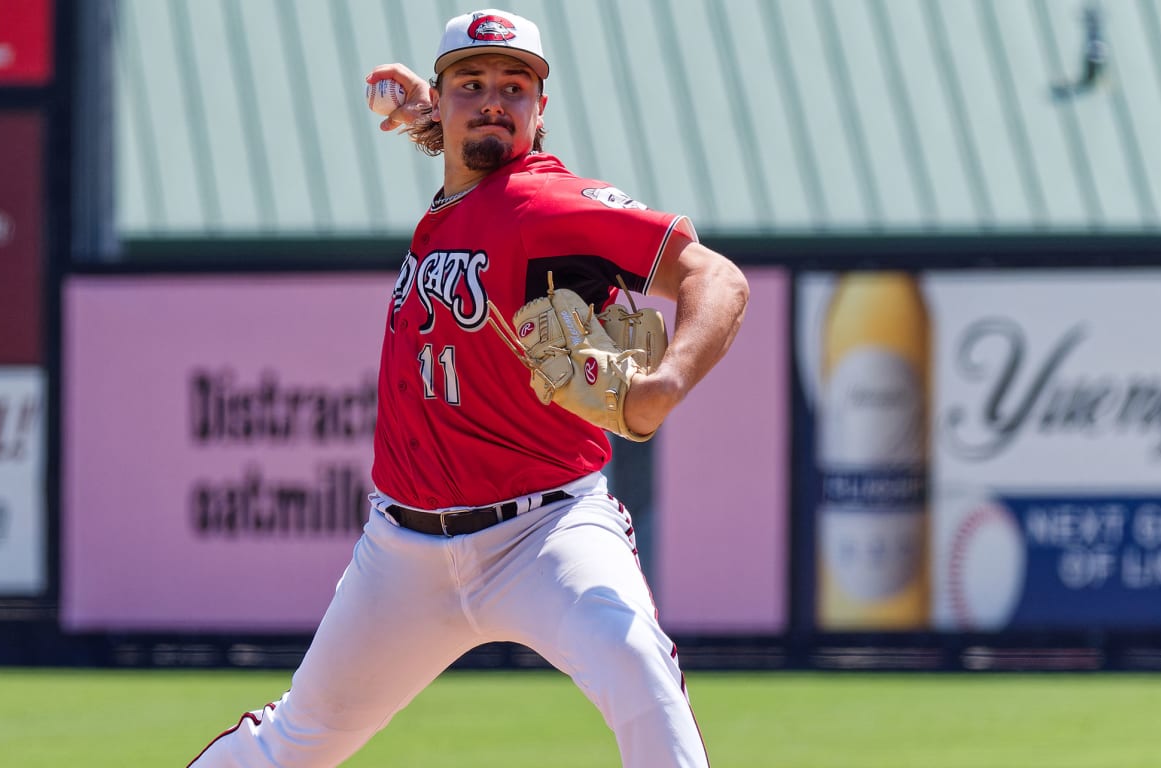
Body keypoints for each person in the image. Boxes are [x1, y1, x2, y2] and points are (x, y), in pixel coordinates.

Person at [187, 9, 749, 767]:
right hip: (403, 553)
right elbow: (471, 158)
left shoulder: (548, 203)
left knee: (637, 667)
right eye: (472, 84)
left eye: (514, 88)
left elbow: (716, 275)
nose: (494, 100)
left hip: (545, 533)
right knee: (293, 740)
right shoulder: (460, 196)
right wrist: (433, 114)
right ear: (443, 98)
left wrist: (667, 381)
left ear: (541, 109)